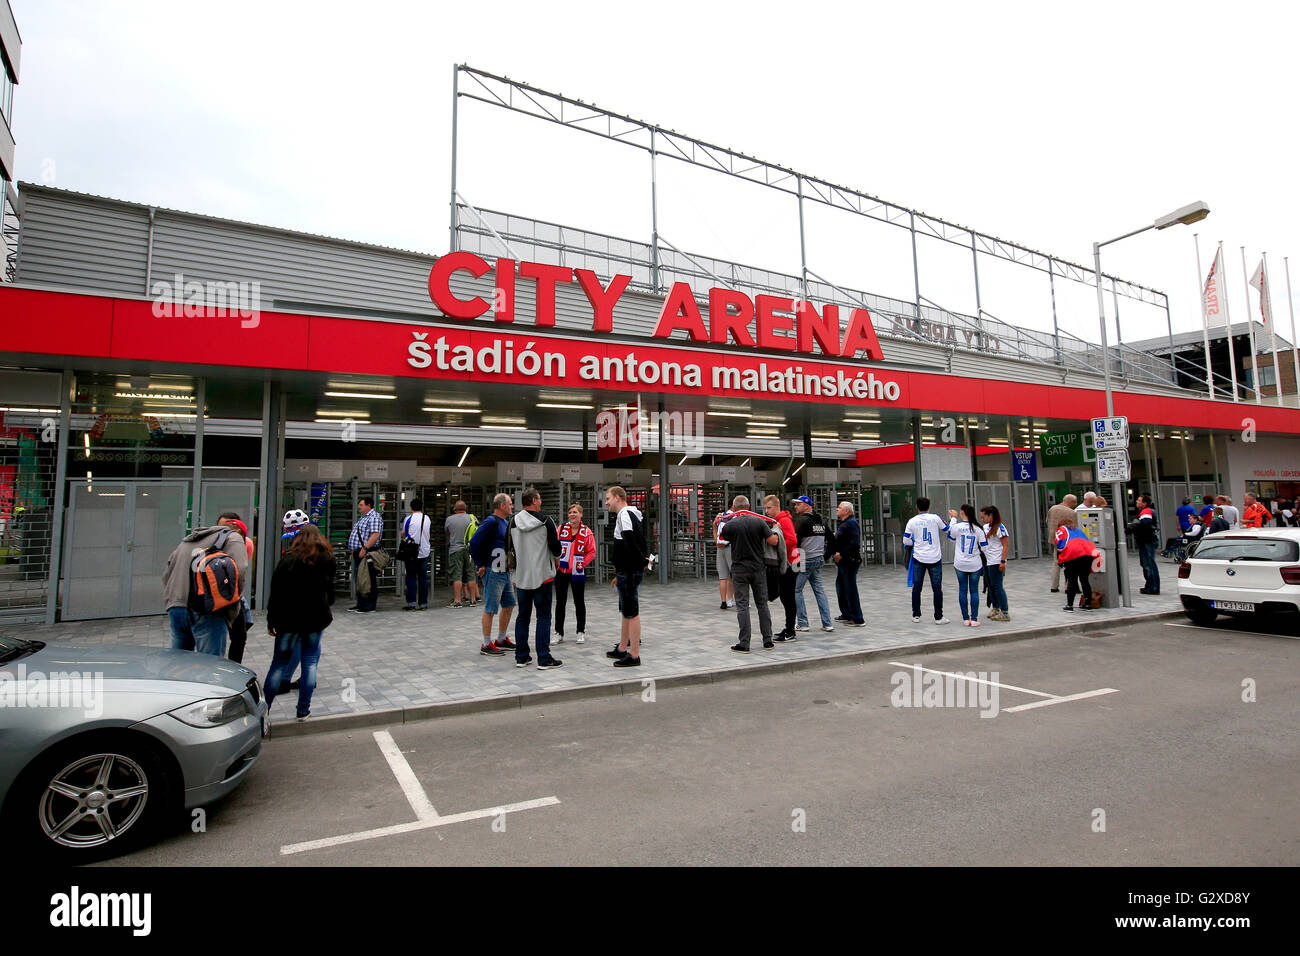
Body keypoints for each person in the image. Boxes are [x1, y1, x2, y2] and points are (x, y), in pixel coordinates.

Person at [264, 523, 335, 731]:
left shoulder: (288, 560)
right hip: (315, 618)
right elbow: (330, 589)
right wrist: (325, 604)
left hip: (289, 620)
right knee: (310, 663)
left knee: (278, 664)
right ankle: (303, 710)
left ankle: (264, 710)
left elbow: (275, 593)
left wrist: (271, 620)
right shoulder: (327, 559)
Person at [162, 520, 249, 657]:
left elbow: (166, 573)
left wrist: (171, 601)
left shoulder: (188, 541)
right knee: (209, 665)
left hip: (176, 606)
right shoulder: (234, 537)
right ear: (239, 531)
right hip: (208, 611)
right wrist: (232, 607)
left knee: (176, 664)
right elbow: (240, 571)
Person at [508, 487, 563, 669]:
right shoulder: (546, 520)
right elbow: (556, 547)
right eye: (539, 499)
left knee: (523, 617)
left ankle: (522, 656)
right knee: (543, 616)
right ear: (533, 501)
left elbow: (508, 547)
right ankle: (544, 658)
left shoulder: (513, 522)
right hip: (542, 576)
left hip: (522, 576)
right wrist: (556, 559)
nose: (541, 502)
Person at [719, 495, 780, 651]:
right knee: (762, 604)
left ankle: (744, 643)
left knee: (742, 606)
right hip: (758, 568)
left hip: (739, 570)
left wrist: (715, 525)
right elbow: (773, 541)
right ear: (748, 506)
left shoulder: (730, 525)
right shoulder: (759, 521)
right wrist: (776, 529)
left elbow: (720, 542)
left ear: (734, 508)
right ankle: (768, 640)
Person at [606, 485, 649, 666]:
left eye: (608, 498)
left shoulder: (624, 515)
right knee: (626, 611)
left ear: (617, 497)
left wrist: (637, 564)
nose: (606, 502)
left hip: (629, 571)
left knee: (632, 612)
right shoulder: (632, 514)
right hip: (628, 570)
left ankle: (634, 655)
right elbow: (640, 543)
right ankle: (623, 648)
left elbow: (630, 544)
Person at [469, 493, 516, 656]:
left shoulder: (504, 522)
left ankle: (501, 639)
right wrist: (480, 563)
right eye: (510, 504)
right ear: (502, 506)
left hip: (504, 570)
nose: (512, 506)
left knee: (509, 604)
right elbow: (474, 542)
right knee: (490, 608)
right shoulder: (491, 521)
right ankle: (486, 643)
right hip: (493, 570)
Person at [791, 495, 834, 633]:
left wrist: (793, 560)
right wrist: (825, 557)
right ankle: (827, 623)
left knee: (796, 590)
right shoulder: (820, 520)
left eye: (798, 504)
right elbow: (832, 539)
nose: (795, 507)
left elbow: (795, 541)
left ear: (807, 505)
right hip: (818, 559)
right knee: (819, 591)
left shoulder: (801, 520)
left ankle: (803, 623)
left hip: (805, 559)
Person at [216, 512, 256, 664]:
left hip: (231, 594)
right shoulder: (211, 540)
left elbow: (239, 572)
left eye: (229, 526)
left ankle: (233, 667)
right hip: (216, 596)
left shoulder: (245, 544)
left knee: (239, 635)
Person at [555, 502, 596, 645]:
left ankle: (580, 631)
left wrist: (582, 563)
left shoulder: (587, 532)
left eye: (575, 512)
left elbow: (592, 551)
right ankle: (558, 632)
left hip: (577, 571)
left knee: (579, 602)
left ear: (581, 514)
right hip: (562, 571)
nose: (572, 515)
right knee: (560, 602)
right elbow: (554, 546)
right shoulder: (561, 529)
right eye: (570, 512)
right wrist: (556, 561)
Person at [903, 496, 949, 625]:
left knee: (917, 587)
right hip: (935, 557)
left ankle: (916, 614)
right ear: (929, 507)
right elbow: (947, 529)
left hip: (919, 557)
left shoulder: (912, 521)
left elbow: (906, 540)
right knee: (937, 588)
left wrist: (915, 542)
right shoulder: (935, 518)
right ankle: (938, 617)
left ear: (916, 507)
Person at [763, 494, 800, 641]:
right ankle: (789, 628)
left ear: (777, 506)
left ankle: (790, 631)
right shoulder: (778, 521)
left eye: (769, 507)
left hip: (790, 563)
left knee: (787, 597)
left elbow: (792, 540)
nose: (766, 511)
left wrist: (777, 541)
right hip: (789, 562)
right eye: (765, 508)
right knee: (786, 597)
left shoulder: (783, 521)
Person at [946, 505, 988, 627]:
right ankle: (974, 618)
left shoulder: (958, 527)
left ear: (962, 513)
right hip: (975, 563)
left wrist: (953, 518)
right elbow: (985, 547)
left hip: (960, 563)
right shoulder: (978, 529)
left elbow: (951, 537)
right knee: (974, 591)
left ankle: (965, 618)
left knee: (962, 590)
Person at [827, 500, 867, 627]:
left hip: (849, 561)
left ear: (846, 511)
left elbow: (855, 543)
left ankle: (857, 618)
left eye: (839, 507)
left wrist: (841, 554)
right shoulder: (844, 523)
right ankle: (847, 613)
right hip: (843, 562)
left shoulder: (851, 523)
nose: (837, 509)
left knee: (850, 589)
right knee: (841, 587)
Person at [1056, 514, 1100, 611]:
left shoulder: (1061, 529)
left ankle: (1069, 605)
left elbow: (1059, 545)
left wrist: (1060, 560)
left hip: (1073, 555)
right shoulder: (1079, 530)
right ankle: (1088, 604)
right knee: (1084, 580)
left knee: (1072, 579)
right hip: (1088, 554)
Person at [347, 496, 383, 613]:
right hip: (359, 552)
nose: (359, 507)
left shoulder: (374, 517)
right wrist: (354, 550)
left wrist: (364, 548)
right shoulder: (364, 517)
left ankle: (370, 605)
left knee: (368, 579)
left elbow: (375, 535)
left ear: (368, 505)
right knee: (360, 579)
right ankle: (360, 604)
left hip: (367, 553)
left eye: (361, 505)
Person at [445, 499, 480, 608]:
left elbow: (447, 533)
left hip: (456, 550)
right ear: (465, 509)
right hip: (470, 550)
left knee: (457, 575)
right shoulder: (472, 518)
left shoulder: (449, 519)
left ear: (454, 509)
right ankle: (473, 600)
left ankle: (457, 601)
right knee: (471, 574)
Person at [980, 504, 1011, 622]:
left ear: (991, 515)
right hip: (988, 560)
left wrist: (1002, 561)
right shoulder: (986, 527)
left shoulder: (1000, 528)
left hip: (996, 560)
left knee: (998, 586)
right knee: (991, 586)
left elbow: (1005, 545)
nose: (982, 519)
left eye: (984, 517)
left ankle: (1005, 611)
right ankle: (996, 608)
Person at [400, 498, 432, 611]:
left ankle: (411, 603)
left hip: (411, 553)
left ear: (411, 507)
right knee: (423, 578)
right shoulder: (427, 518)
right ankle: (423, 603)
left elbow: (404, 534)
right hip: (424, 552)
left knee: (411, 577)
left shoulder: (408, 519)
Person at [1127, 493, 1160, 595]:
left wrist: (1132, 527)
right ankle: (1150, 586)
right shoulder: (1147, 511)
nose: (1136, 501)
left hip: (1147, 541)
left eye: (1139, 500)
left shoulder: (1146, 511)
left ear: (1144, 503)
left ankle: (1153, 587)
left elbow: (1145, 523)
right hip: (1147, 540)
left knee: (1148, 564)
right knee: (1147, 564)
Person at [1047, 494, 1077, 594]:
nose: (1075, 504)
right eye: (1074, 502)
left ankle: (1054, 586)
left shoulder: (1052, 508)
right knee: (1069, 563)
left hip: (1055, 538)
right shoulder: (1072, 512)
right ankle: (1068, 586)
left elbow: (1048, 521)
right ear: (1070, 502)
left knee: (1056, 562)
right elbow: (1075, 527)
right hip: (1067, 540)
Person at [713, 507, 736, 610]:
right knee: (736, 575)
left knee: (723, 578)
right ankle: (739, 600)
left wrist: (717, 543)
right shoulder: (734, 518)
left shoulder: (719, 518)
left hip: (720, 548)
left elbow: (715, 535)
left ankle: (724, 602)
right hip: (730, 548)